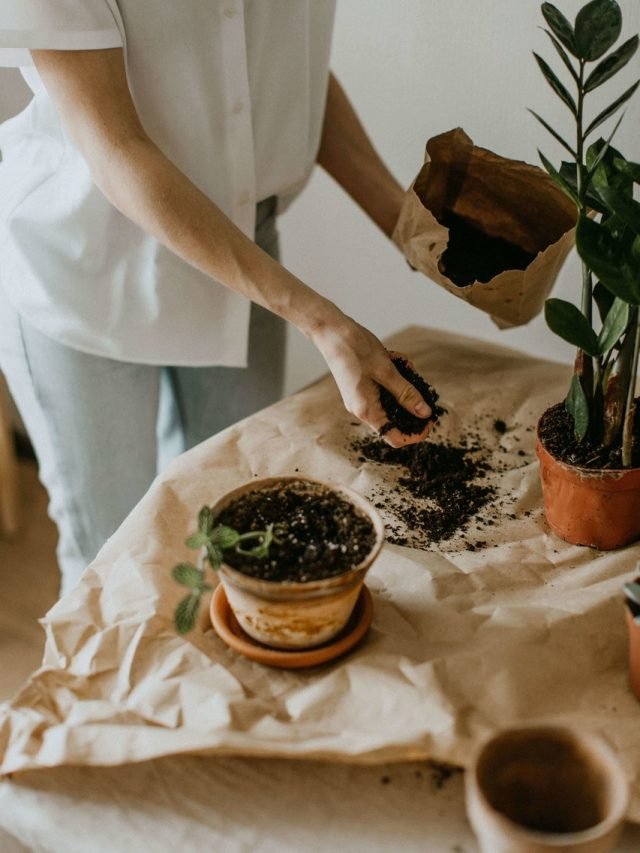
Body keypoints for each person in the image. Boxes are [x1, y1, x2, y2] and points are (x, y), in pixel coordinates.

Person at [0, 1, 432, 596]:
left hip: (244, 253)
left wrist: (408, 226)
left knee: (234, 526)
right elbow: (115, 146)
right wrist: (322, 321)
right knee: (112, 553)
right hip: (84, 267)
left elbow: (285, 75)